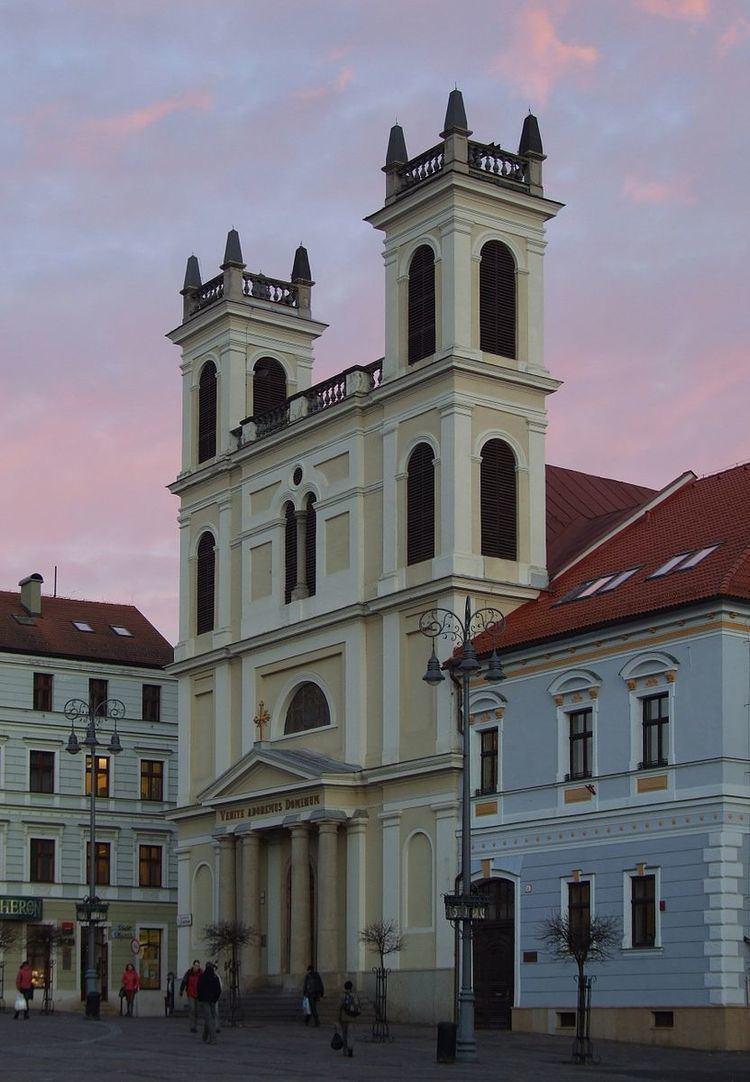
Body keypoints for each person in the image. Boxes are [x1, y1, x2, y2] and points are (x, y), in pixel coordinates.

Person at [197, 961, 221, 1045]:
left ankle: (213, 1038)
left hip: (205, 1000)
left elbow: (199, 988)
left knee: (209, 1018)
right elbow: (218, 990)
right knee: (211, 1018)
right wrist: (215, 998)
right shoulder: (215, 977)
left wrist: (200, 998)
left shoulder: (202, 977)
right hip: (212, 1000)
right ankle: (205, 1035)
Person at [338, 979, 361, 1058]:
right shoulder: (354, 995)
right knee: (351, 1035)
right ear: (351, 987)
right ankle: (350, 1048)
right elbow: (358, 1006)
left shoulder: (342, 996)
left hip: (344, 1018)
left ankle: (345, 1051)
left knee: (344, 1035)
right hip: (352, 1018)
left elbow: (339, 1007)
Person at [179, 959, 203, 1032]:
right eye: (195, 965)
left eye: (198, 966)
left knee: (197, 1011)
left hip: (199, 994)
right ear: (193, 965)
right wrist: (181, 990)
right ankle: (192, 1026)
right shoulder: (189, 973)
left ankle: (195, 1025)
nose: (196, 967)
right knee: (192, 1009)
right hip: (191, 993)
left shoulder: (201, 973)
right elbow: (184, 981)